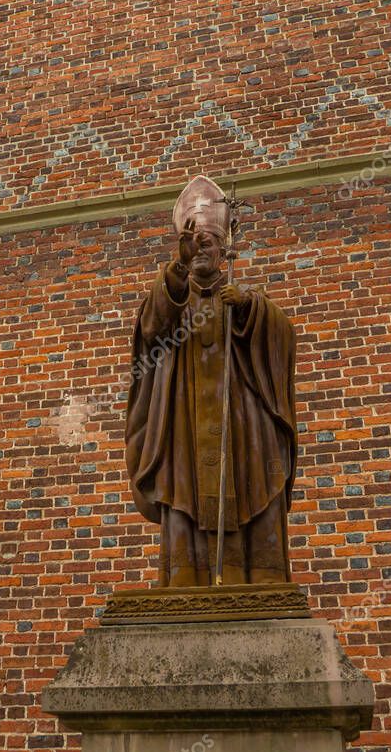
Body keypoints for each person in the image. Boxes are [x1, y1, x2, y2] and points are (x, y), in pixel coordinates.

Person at [125, 175, 298, 588]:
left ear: (224, 250)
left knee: (252, 487)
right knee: (183, 492)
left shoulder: (242, 299)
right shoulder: (172, 294)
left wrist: (250, 310)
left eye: (208, 244)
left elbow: (284, 338)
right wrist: (179, 268)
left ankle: (257, 581)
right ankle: (186, 582)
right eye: (193, 244)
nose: (201, 252)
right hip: (184, 427)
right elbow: (151, 330)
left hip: (241, 428)